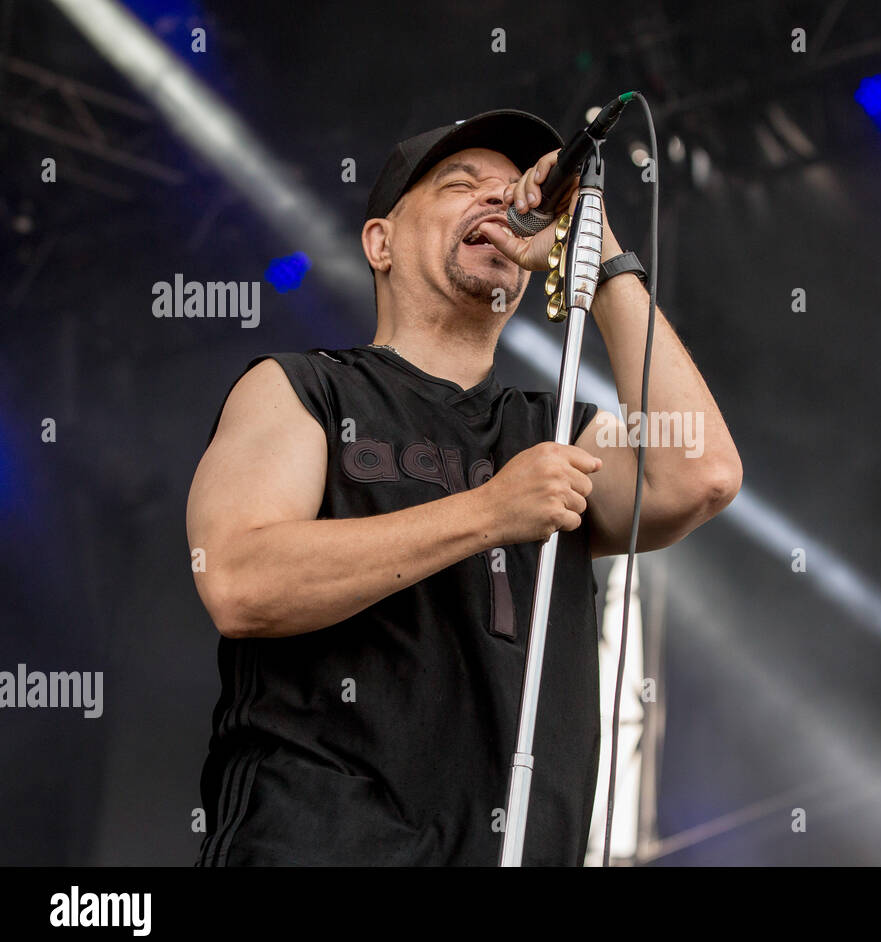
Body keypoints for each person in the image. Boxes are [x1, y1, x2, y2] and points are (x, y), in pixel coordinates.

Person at [188, 109, 742, 866]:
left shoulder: (556, 430)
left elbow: (700, 477)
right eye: (460, 184)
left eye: (509, 189)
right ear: (380, 242)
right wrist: (489, 511)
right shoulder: (302, 389)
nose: (498, 199)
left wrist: (598, 252)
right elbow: (240, 581)